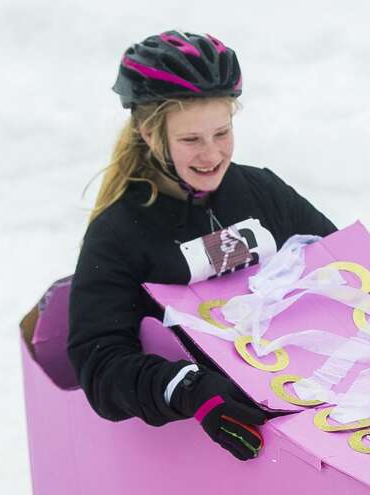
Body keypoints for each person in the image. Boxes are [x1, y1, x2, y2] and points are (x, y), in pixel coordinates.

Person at [67, 31, 337, 461]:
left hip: (310, 412)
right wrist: (190, 390)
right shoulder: (119, 232)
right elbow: (99, 364)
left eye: (222, 132)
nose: (212, 154)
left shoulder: (262, 193)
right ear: (150, 135)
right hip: (208, 444)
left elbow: (348, 269)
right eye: (191, 140)